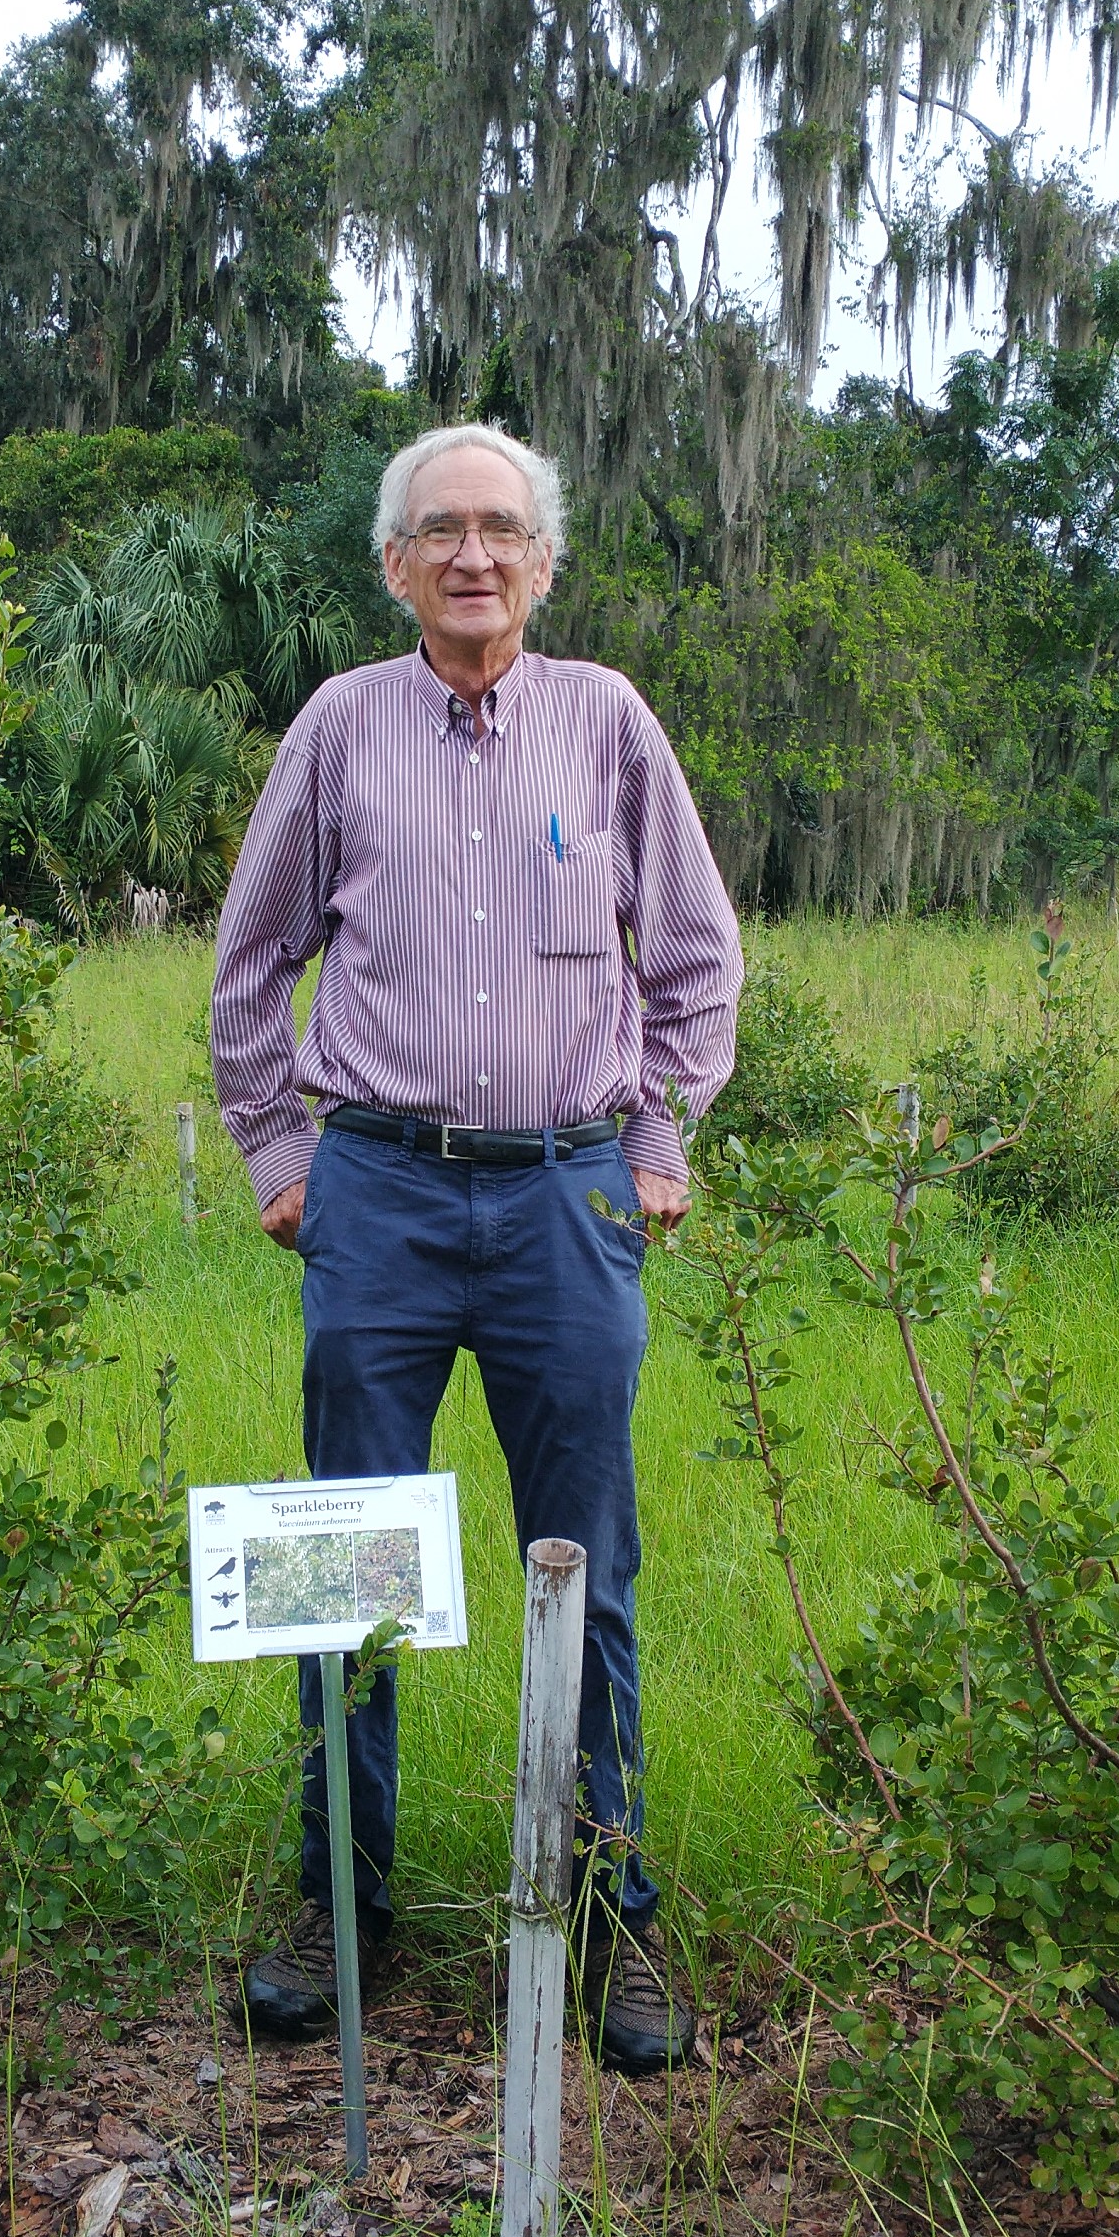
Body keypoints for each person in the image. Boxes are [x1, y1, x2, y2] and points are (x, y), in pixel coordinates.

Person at [209, 424, 742, 2073]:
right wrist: (283, 1153)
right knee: (348, 1559)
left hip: (568, 1201)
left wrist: (654, 1139)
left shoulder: (609, 723)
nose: (472, 557)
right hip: (374, 1190)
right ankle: (336, 1903)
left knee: (585, 1562)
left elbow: (700, 961)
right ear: (393, 563)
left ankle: (610, 1910)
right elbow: (249, 967)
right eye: (440, 531)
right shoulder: (342, 727)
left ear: (544, 562)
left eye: (502, 531)